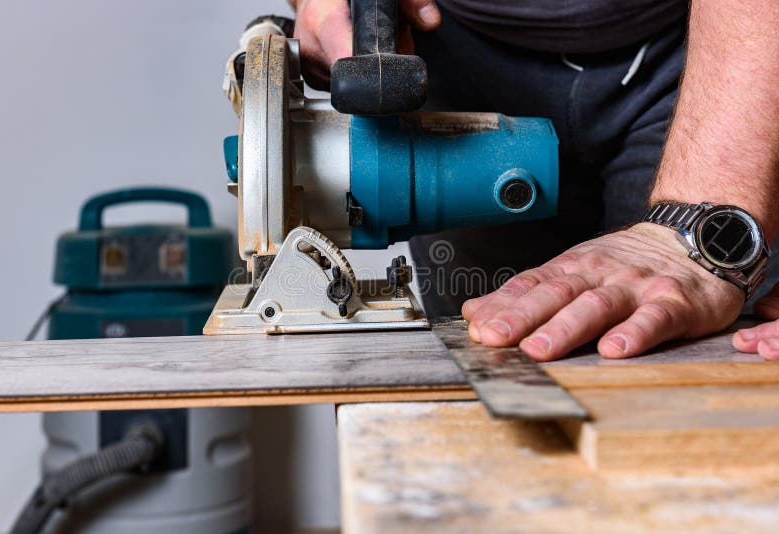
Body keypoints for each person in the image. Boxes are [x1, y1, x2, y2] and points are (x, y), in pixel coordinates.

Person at [291, 0, 779, 361]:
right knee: (490, 354)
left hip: (714, 49)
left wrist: (706, 227)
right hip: (449, 46)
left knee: (703, 349)